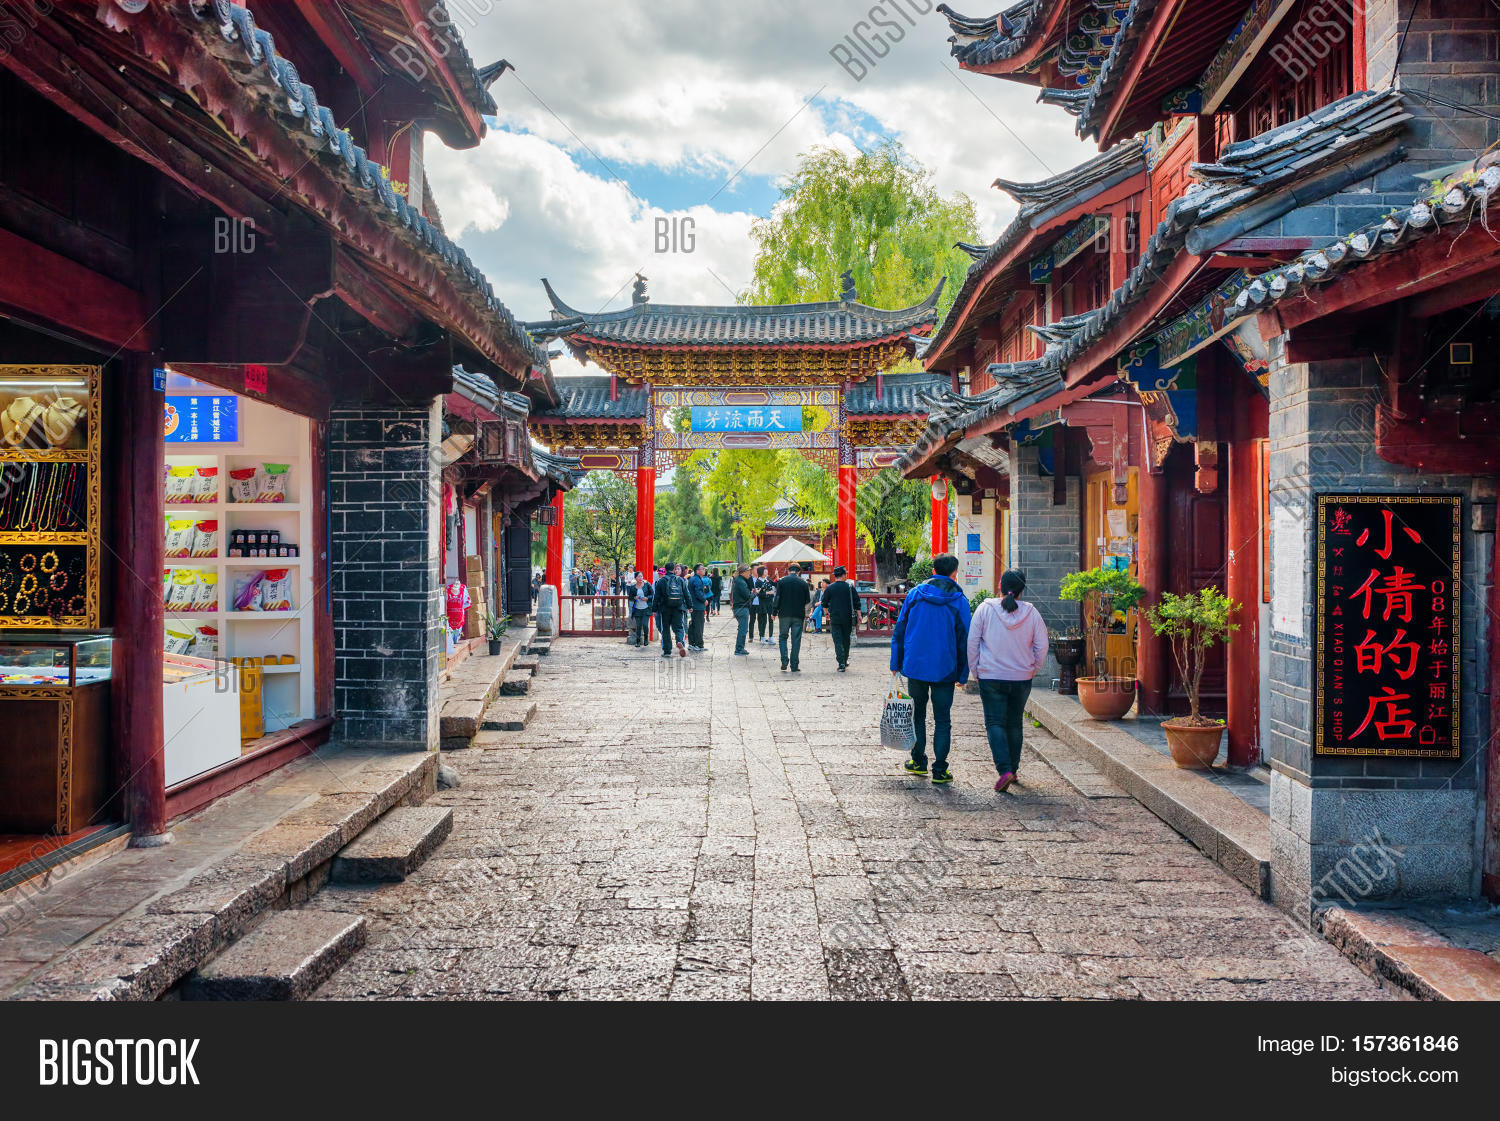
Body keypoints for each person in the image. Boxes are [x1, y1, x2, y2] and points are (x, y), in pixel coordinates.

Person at [889, 554, 971, 785]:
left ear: (933, 571)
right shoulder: (959, 600)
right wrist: (963, 674)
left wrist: (896, 663)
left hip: (915, 666)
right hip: (946, 669)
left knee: (918, 715)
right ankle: (940, 769)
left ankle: (918, 761)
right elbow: (965, 639)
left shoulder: (915, 595)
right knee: (943, 719)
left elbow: (900, 629)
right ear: (954, 573)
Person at [968, 570, 1049, 792]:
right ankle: (1012, 769)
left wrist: (975, 669)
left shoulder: (985, 610)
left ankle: (1004, 770)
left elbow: (972, 642)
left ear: (1000, 586)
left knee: (995, 723)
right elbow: (1042, 646)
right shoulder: (1032, 613)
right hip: (1021, 677)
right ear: (1022, 590)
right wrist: (1034, 667)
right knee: (1014, 723)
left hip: (991, 676)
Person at [772, 562, 813, 672]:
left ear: (788, 570)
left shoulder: (782, 582)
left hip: (784, 614)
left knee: (783, 637)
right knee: (796, 640)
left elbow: (777, 598)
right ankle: (794, 665)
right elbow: (807, 600)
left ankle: (784, 661)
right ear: (799, 571)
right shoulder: (803, 583)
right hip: (798, 615)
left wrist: (774, 612)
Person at [822, 566, 862, 672]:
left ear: (835, 576)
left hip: (835, 618)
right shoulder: (849, 587)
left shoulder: (830, 588)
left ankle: (841, 663)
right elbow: (857, 602)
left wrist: (826, 613)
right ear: (843, 575)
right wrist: (859, 615)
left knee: (837, 640)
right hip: (848, 617)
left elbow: (824, 603)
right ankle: (844, 659)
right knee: (846, 639)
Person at [652, 561, 688, 658]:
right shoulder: (680, 580)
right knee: (679, 627)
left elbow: (656, 597)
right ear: (673, 569)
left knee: (666, 629)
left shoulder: (661, 581)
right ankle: (680, 641)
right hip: (678, 607)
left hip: (665, 608)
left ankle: (667, 651)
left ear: (665, 569)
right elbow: (686, 594)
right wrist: (690, 606)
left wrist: (654, 609)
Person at [730, 563, 754, 655]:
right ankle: (739, 649)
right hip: (741, 608)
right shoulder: (740, 581)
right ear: (743, 572)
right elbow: (748, 596)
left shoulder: (740, 580)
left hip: (739, 607)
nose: (750, 573)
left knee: (742, 628)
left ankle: (740, 648)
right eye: (748, 571)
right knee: (743, 629)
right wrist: (755, 594)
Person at [687, 563, 710, 651]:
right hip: (698, 606)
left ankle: (692, 643)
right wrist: (704, 599)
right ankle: (698, 645)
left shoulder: (694, 579)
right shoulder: (697, 580)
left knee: (693, 625)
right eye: (702, 569)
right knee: (698, 625)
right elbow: (698, 593)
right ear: (697, 571)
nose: (704, 570)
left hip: (694, 605)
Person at [629, 568, 654, 648]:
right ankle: (638, 641)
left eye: (641, 576)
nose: (640, 578)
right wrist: (634, 597)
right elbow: (630, 597)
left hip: (646, 608)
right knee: (638, 625)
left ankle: (646, 638)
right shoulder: (633, 587)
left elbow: (652, 595)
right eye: (639, 577)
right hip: (637, 609)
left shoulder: (647, 585)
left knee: (645, 625)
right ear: (635, 578)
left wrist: (647, 598)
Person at [753, 565, 775, 645]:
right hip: (762, 603)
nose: (767, 572)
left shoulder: (768, 579)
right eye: (765, 571)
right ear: (761, 572)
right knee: (763, 620)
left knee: (771, 619)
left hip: (770, 602)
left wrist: (777, 576)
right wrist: (769, 592)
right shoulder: (758, 582)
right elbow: (759, 594)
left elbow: (776, 585)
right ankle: (762, 636)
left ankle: (771, 637)